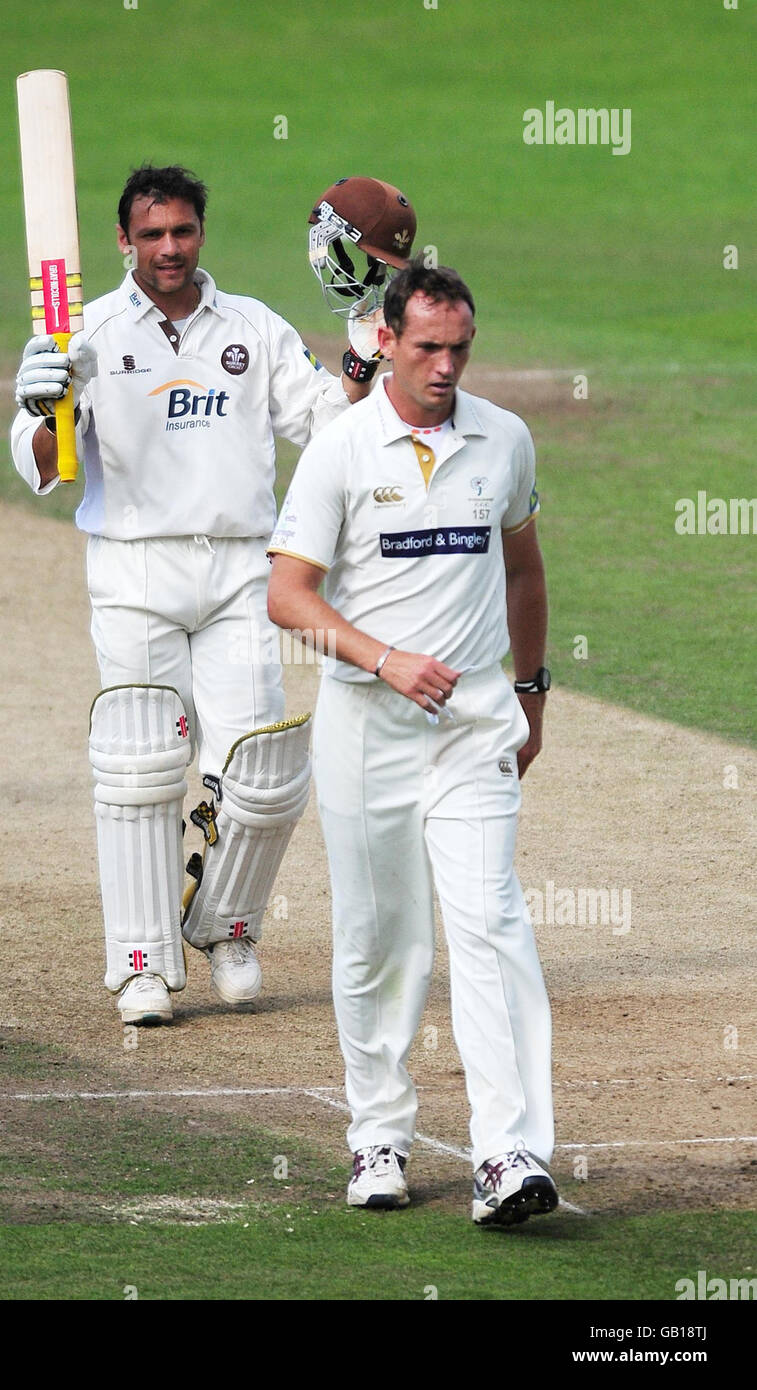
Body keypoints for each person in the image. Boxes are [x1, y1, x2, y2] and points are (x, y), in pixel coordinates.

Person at [10, 164, 385, 1027]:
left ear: (200, 233)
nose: (168, 248)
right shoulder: (85, 332)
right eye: (151, 235)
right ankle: (141, 961)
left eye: (181, 231)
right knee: (141, 765)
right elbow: (41, 467)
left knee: (257, 768)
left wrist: (361, 369)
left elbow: (329, 425)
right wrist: (44, 406)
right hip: (133, 564)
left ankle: (226, 925)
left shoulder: (250, 325)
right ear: (123, 241)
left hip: (242, 565)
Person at [265, 257, 559, 1226]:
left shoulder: (503, 439)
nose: (444, 367)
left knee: (490, 924)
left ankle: (508, 1151)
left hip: (473, 726)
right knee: (381, 941)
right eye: (427, 347)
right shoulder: (342, 449)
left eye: (460, 349)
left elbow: (521, 569)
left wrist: (529, 692)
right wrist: (382, 658)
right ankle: (377, 1134)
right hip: (368, 727)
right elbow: (287, 596)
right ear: (384, 340)